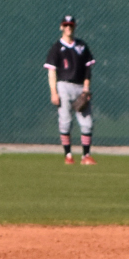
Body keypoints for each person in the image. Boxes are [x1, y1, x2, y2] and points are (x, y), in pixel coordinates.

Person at [45, 15, 95, 165]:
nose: (68, 28)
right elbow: (51, 72)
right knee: (65, 121)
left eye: (71, 25)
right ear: (61, 27)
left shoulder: (81, 46)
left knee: (87, 123)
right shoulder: (56, 48)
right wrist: (54, 92)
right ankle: (68, 155)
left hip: (80, 87)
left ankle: (86, 156)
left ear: (74, 27)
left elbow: (88, 68)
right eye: (66, 25)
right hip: (64, 86)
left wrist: (86, 88)